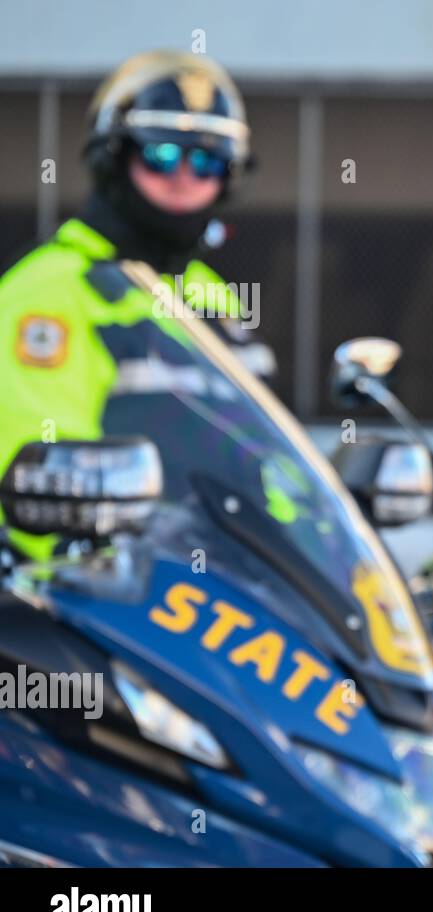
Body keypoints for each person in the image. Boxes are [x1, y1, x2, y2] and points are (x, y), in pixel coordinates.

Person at [0, 50, 267, 560]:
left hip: (226, 592)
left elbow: (262, 462)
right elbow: (38, 483)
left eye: (208, 161)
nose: (184, 176)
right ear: (113, 157)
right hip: (101, 596)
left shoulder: (214, 297)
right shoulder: (50, 292)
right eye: (162, 155)